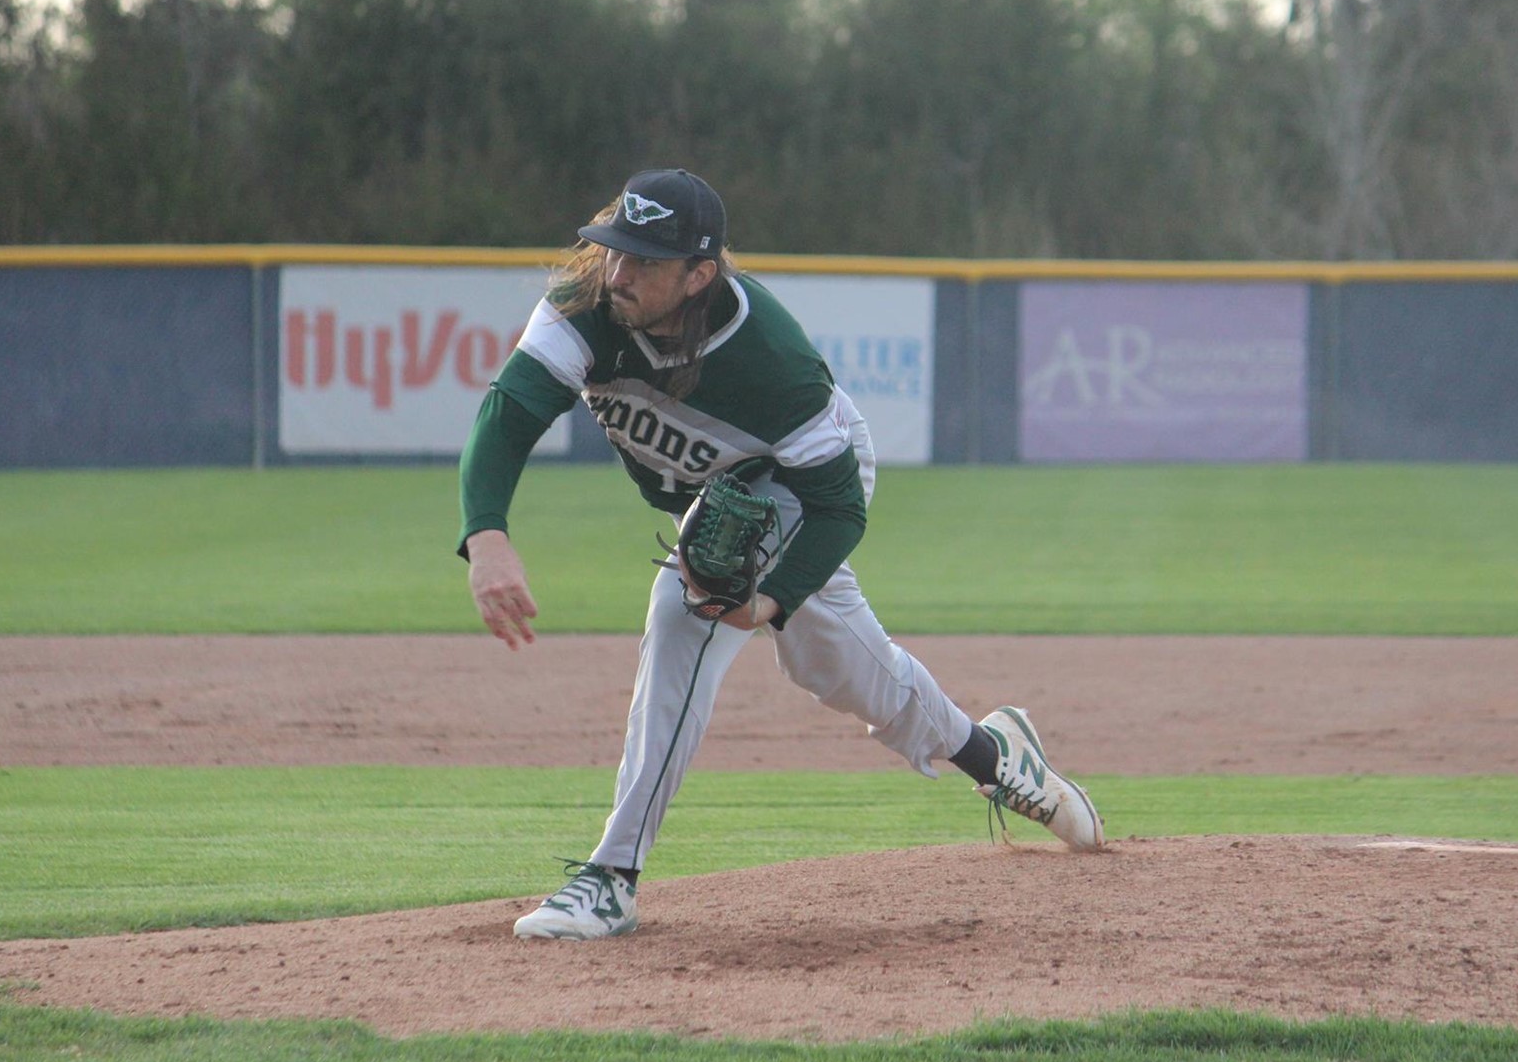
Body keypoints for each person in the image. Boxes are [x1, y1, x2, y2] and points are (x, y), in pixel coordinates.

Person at [458, 168, 1103, 941]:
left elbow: (837, 505)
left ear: (700, 275)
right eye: (614, 250)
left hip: (806, 482)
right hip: (725, 488)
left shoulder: (767, 361)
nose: (619, 273)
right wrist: (487, 533)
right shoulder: (587, 302)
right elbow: (509, 413)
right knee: (841, 672)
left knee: (684, 611)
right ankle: (994, 755)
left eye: (645, 262)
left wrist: (767, 601)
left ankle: (612, 878)